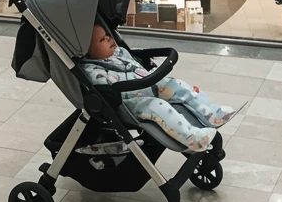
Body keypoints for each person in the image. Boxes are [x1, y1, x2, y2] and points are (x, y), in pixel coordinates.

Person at [83, 24, 237, 152]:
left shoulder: (119, 52)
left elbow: (136, 66)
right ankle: (192, 138)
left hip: (147, 84)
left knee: (176, 85)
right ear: (88, 52)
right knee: (158, 106)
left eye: (107, 35)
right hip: (128, 101)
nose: (109, 38)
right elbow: (108, 88)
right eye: (102, 39)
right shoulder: (92, 70)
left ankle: (209, 112)